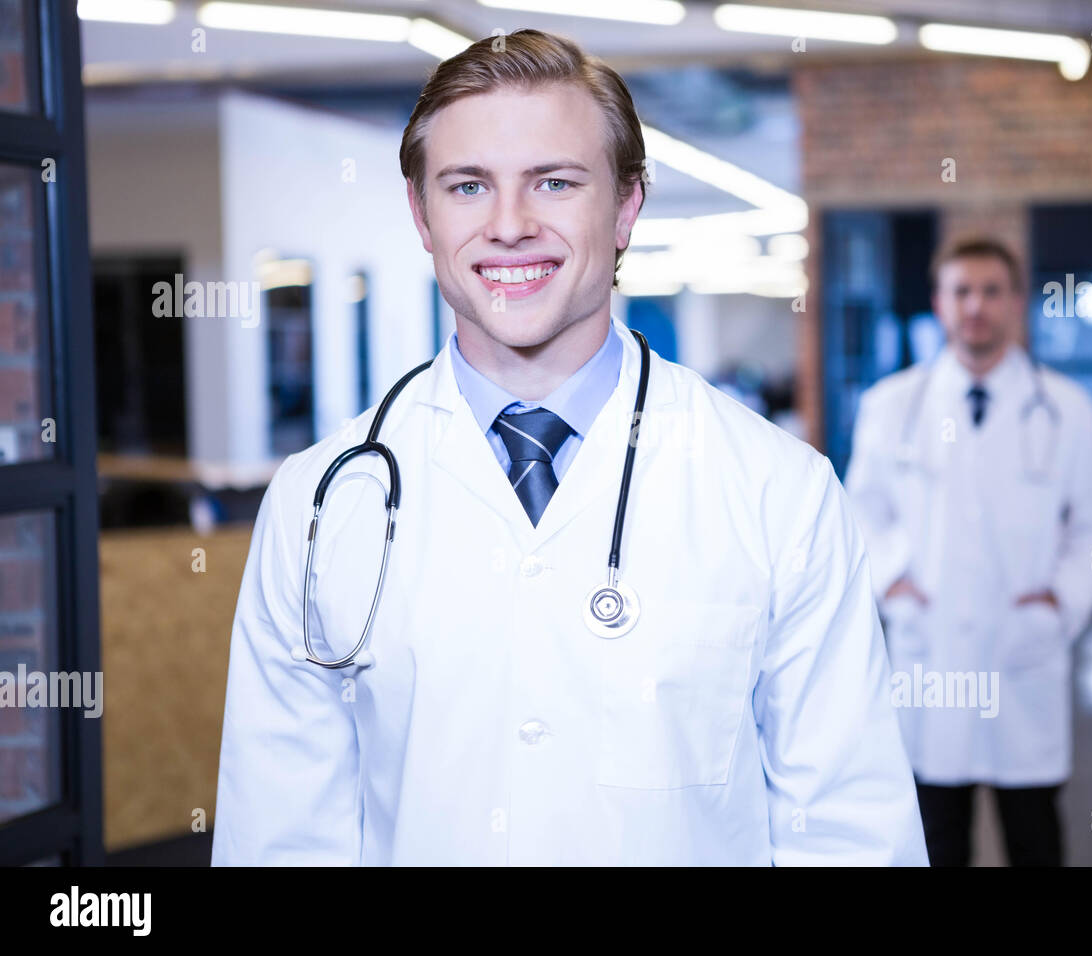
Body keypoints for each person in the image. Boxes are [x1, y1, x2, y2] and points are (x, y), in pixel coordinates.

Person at [211, 29, 927, 866]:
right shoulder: (319, 500)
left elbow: (847, 831)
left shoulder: (779, 490)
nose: (509, 226)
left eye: (554, 181)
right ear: (422, 214)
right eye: (468, 185)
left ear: (626, 206)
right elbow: (282, 835)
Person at [843, 237, 1092, 866]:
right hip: (931, 652)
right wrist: (893, 581)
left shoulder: (1066, 409)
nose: (976, 305)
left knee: (1035, 838)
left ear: (1016, 302)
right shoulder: (891, 405)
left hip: (1022, 653)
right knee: (936, 838)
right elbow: (858, 510)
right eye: (961, 291)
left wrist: (1062, 600)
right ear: (940, 304)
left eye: (991, 291)